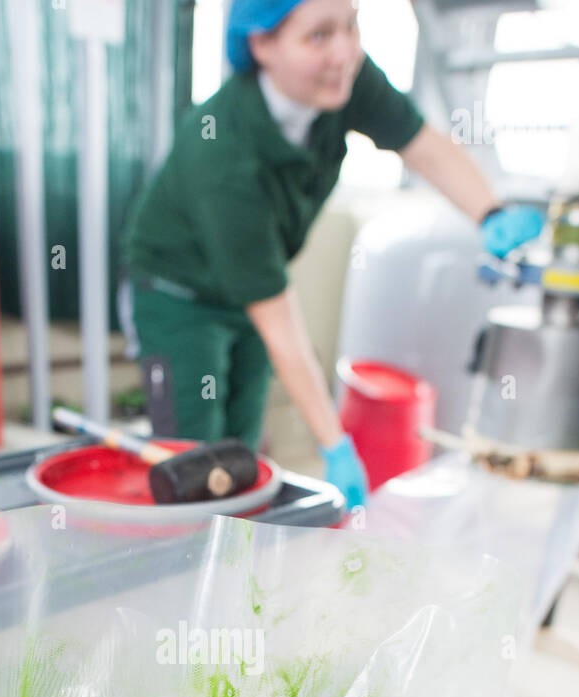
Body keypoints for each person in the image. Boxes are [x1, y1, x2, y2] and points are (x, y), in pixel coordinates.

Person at [122, 0, 545, 508]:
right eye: (319, 36)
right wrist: (334, 444)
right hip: (180, 294)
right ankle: (183, 568)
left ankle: (230, 560)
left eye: (352, 24)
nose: (345, 51)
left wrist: (490, 212)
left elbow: (422, 145)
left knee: (240, 446)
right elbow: (280, 323)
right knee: (195, 457)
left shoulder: (344, 81)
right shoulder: (221, 152)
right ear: (261, 44)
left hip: (252, 287)